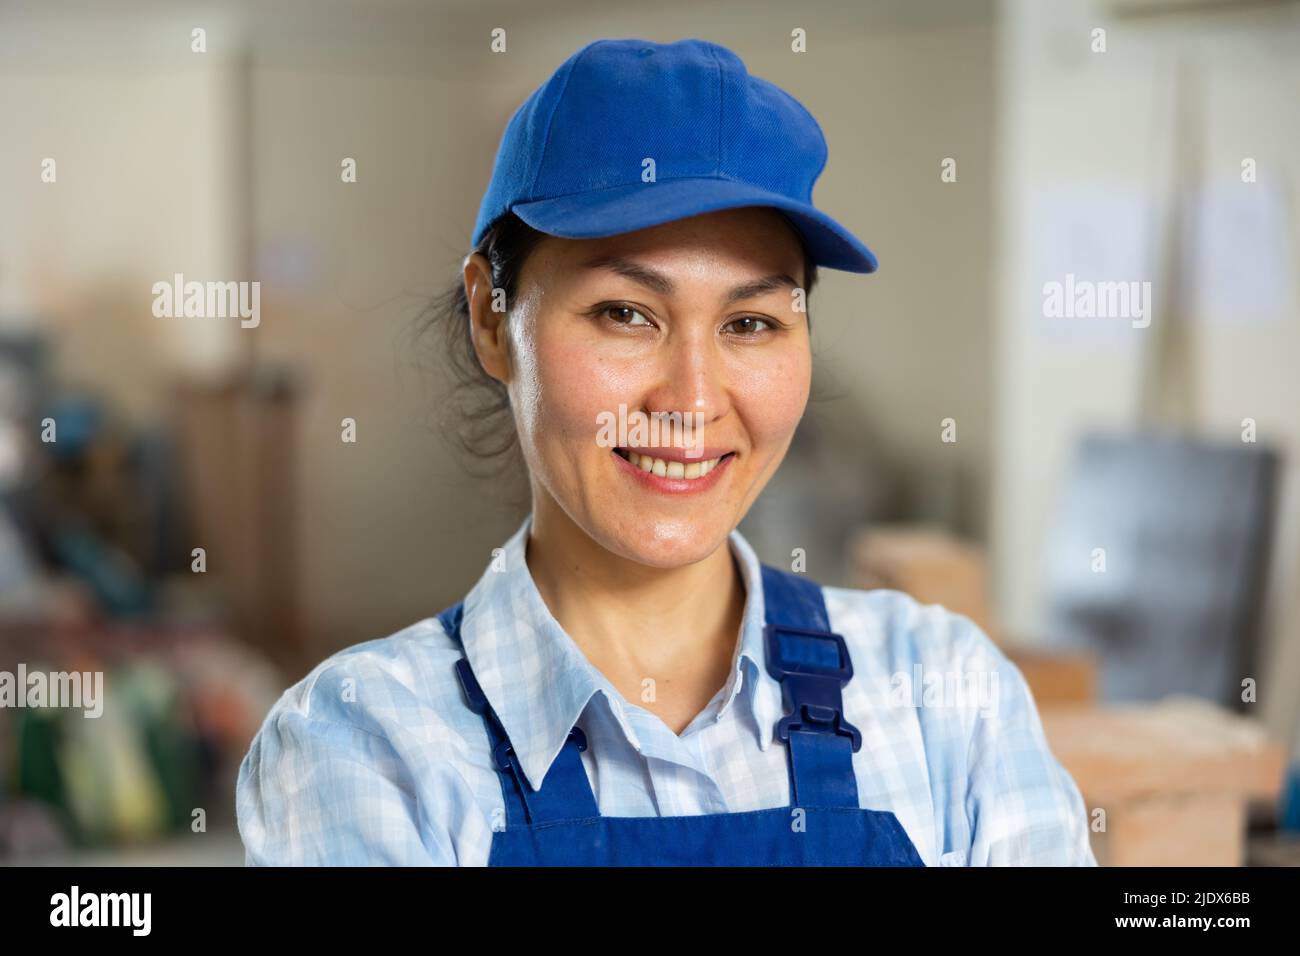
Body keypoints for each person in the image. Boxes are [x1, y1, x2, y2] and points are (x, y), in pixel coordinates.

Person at [236, 36, 1096, 866]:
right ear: (492, 319)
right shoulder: (367, 745)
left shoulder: (944, 696)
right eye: (625, 314)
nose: (690, 401)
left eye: (750, 323)